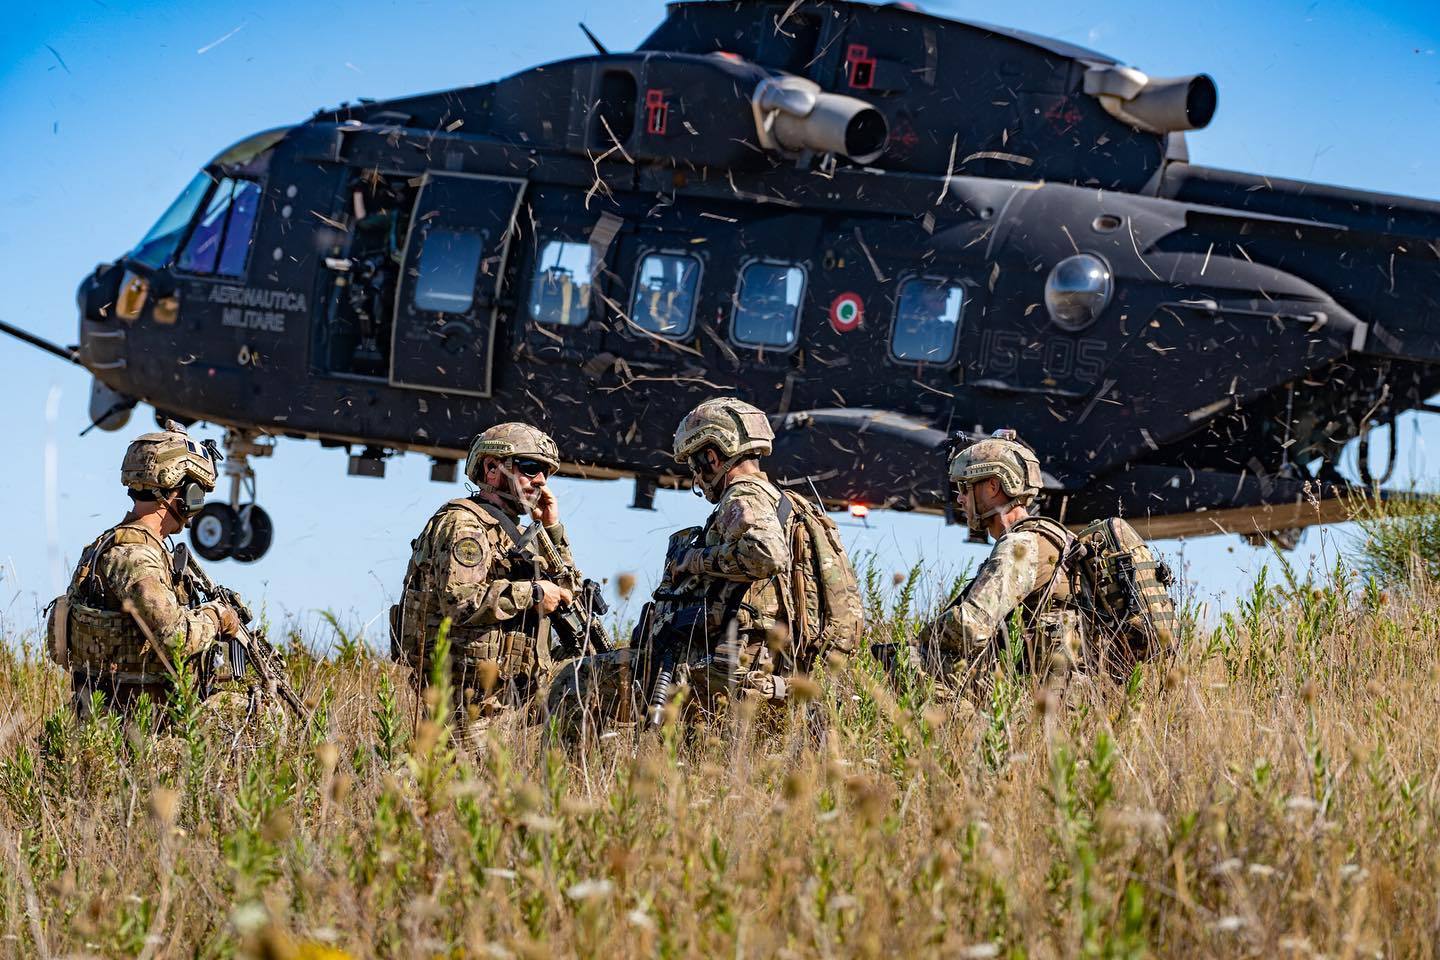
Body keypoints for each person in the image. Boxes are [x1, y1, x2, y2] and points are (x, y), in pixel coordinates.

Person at [548, 397, 808, 738]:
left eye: (696, 465)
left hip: (723, 670)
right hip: (757, 671)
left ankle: (566, 785)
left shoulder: (744, 495)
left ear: (712, 456)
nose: (697, 478)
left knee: (576, 682)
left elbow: (767, 554)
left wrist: (694, 561)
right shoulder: (787, 503)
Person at [392, 422, 583, 741]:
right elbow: (460, 602)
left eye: (546, 472)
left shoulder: (519, 533)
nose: (541, 480)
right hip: (466, 706)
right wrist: (533, 594)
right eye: (531, 467)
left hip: (508, 703)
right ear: (492, 468)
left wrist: (552, 529)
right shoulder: (465, 525)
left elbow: (567, 593)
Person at [47, 423, 244, 720]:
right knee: (260, 714)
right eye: (198, 493)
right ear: (184, 492)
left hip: (109, 716)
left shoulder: (107, 545)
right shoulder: (136, 557)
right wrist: (218, 615)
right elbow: (175, 638)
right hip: (141, 724)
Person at [910, 429, 1085, 697]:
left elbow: (971, 625)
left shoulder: (1019, 546)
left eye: (965, 487)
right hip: (1065, 690)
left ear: (993, 486)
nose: (959, 498)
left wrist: (918, 642)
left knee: (911, 663)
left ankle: (963, 736)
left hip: (1038, 698)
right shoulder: (1060, 537)